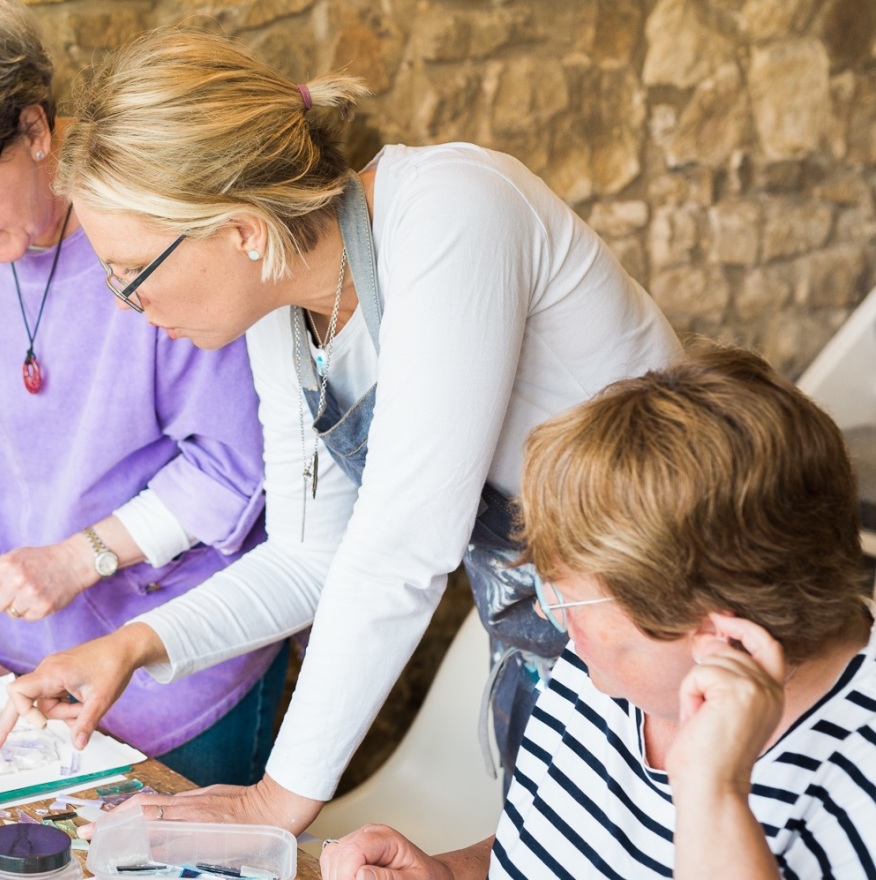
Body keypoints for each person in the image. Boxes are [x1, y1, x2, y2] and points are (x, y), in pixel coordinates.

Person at [0, 27, 681, 830]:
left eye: (130, 274)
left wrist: (275, 800)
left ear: (243, 230)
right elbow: (309, 558)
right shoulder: (283, 311)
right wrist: (134, 644)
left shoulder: (453, 212)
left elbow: (403, 547)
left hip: (678, 613)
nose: (129, 307)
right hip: (560, 625)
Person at [0, 0, 283, 785]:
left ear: (33, 128)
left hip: (174, 665)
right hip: (19, 658)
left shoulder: (157, 225)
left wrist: (77, 560)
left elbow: (231, 469)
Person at [321, 344, 876, 879]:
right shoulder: (612, 665)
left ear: (721, 640)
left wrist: (712, 794)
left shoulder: (860, 792)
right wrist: (448, 873)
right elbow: (556, 854)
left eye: (567, 598)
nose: (549, 613)